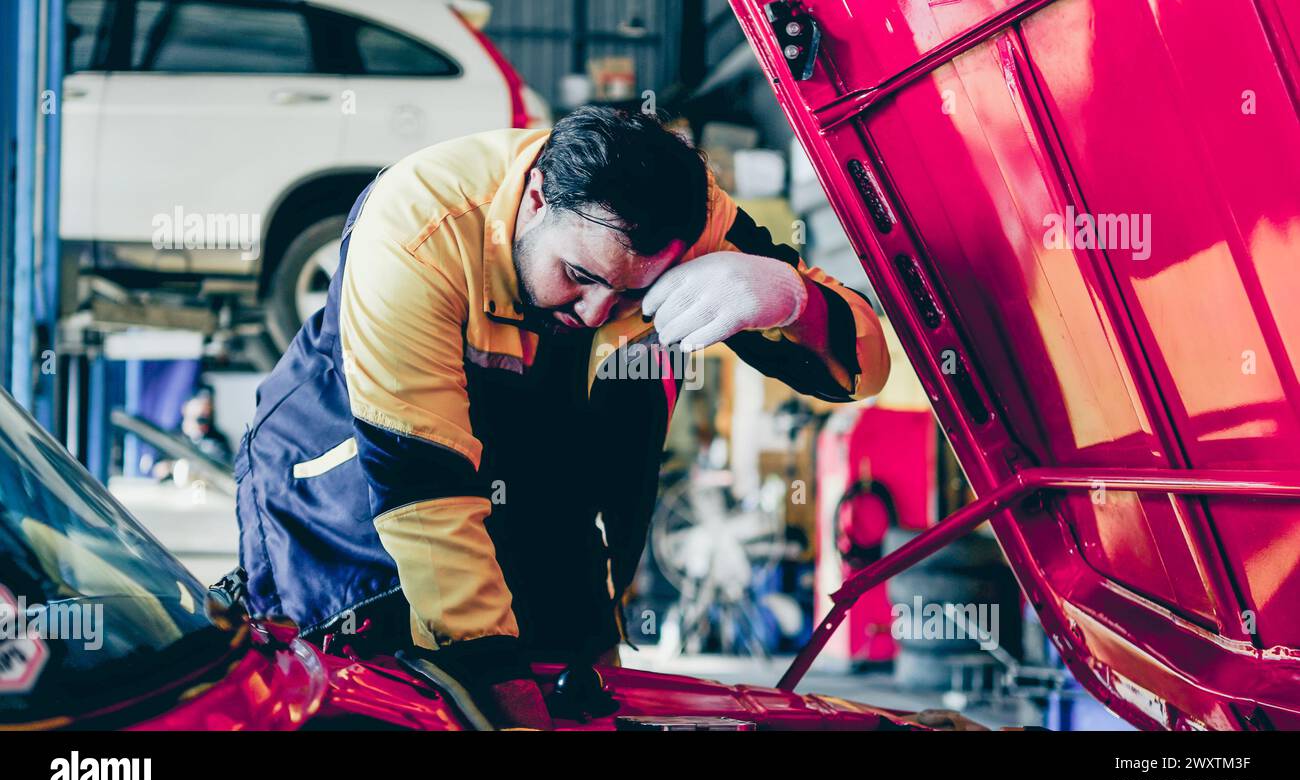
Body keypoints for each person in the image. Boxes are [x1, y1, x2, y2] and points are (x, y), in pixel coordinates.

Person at [234, 106, 890, 728]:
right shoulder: (416, 231)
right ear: (539, 198)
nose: (599, 311)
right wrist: (502, 691)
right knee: (372, 698)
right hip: (350, 496)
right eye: (578, 274)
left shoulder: (690, 218)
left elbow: (868, 365)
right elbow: (425, 498)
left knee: (581, 685)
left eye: (632, 293)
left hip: (536, 484)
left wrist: (791, 300)